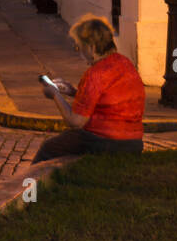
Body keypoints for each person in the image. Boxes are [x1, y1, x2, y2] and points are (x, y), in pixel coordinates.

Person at [32, 13, 145, 162]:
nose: (78, 51)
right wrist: (73, 92)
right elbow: (106, 101)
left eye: (79, 47)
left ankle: (31, 184)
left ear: (91, 48)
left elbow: (75, 121)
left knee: (49, 148)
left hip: (105, 139)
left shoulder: (96, 74)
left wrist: (55, 94)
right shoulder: (124, 63)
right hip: (134, 141)